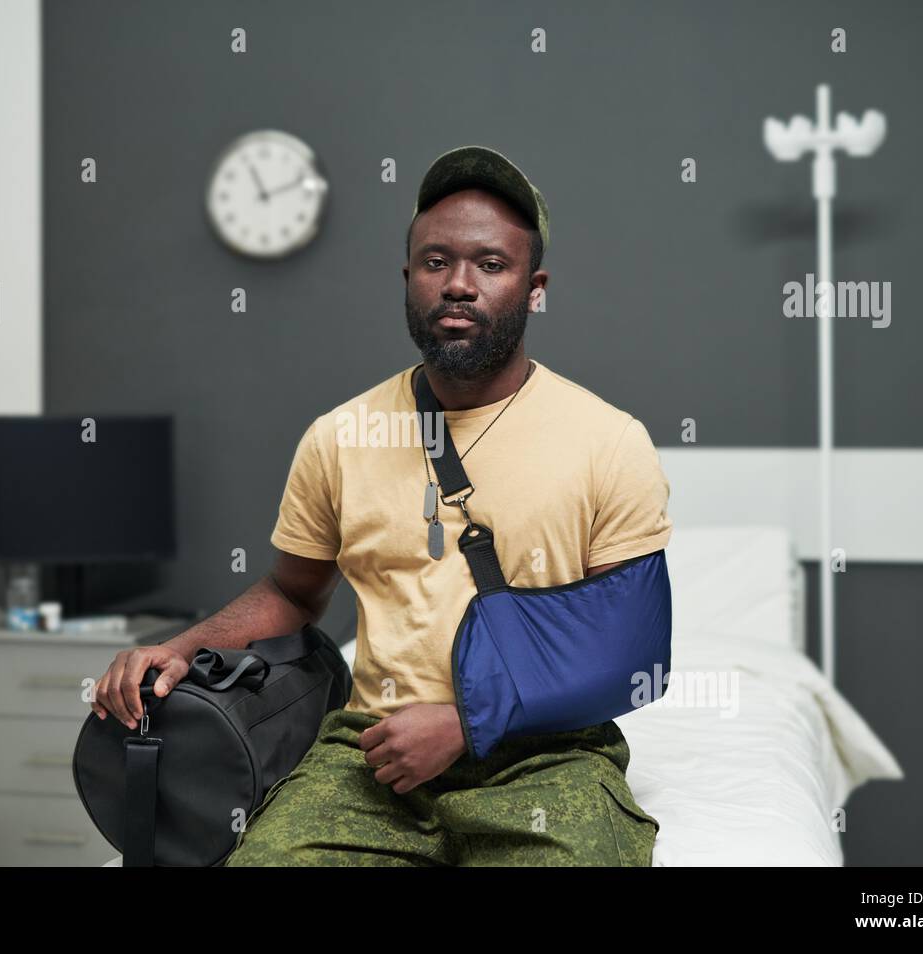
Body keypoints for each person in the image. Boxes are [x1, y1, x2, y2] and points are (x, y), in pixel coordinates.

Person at [91, 145, 673, 866]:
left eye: (491, 265)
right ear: (408, 279)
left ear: (535, 286)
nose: (459, 284)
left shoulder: (608, 441)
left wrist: (468, 723)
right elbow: (291, 592)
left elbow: (629, 653)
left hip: (547, 757)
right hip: (374, 754)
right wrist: (178, 649)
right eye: (436, 262)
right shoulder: (339, 438)